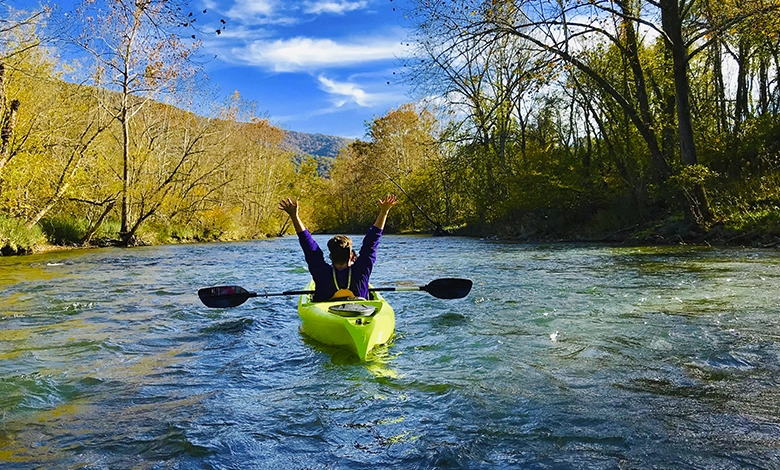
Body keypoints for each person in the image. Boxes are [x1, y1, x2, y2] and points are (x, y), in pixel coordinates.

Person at [279, 194, 399, 302]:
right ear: (352, 256)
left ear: (331, 256)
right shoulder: (362, 270)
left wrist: (294, 216)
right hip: (362, 312)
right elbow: (372, 242)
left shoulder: (320, 271)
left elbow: (308, 245)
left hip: (326, 314)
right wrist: (384, 212)